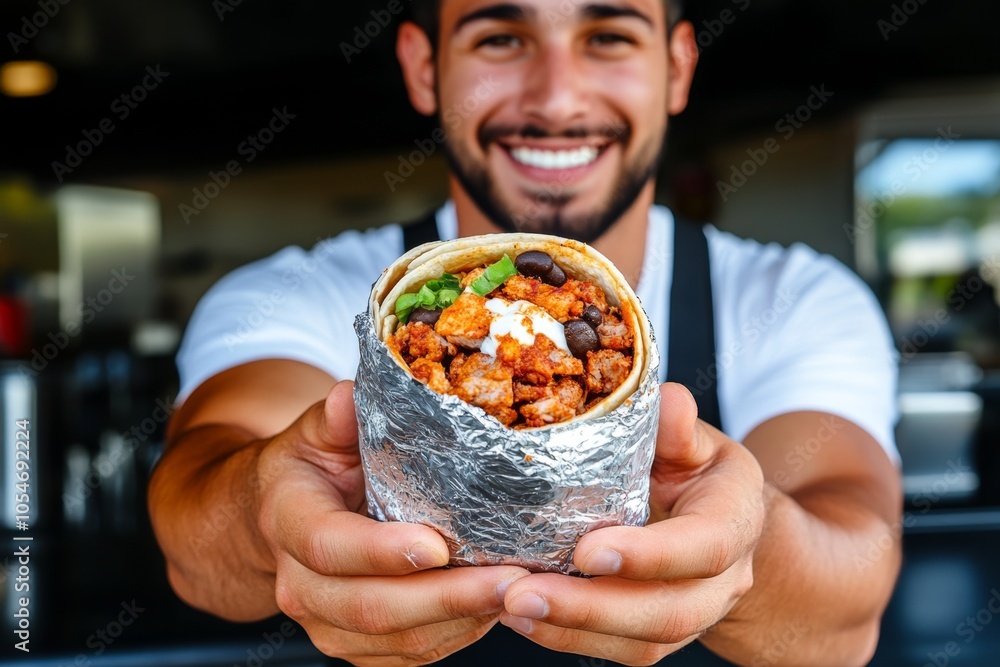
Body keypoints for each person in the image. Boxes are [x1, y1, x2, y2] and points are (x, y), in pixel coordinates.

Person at [148, 0, 903, 665]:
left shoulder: (797, 300)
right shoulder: (290, 295)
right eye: (500, 39)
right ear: (422, 68)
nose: (556, 96)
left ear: (675, 69)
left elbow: (851, 600)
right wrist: (262, 511)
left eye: (608, 35)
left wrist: (749, 540)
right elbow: (195, 515)